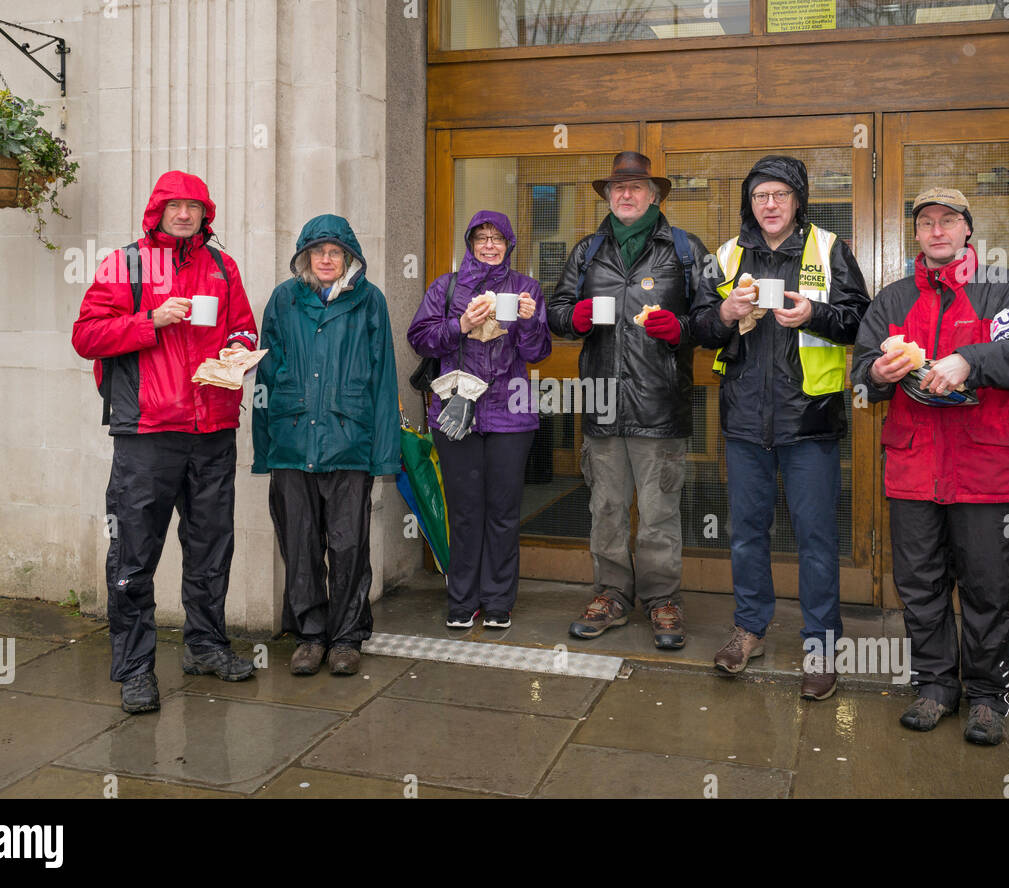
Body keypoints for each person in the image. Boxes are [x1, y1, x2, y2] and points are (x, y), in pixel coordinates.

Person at [850, 187, 1009, 745]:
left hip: (986, 469)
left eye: (948, 221)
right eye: (926, 223)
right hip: (914, 467)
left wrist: (972, 358)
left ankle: (988, 696)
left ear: (967, 229)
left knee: (989, 586)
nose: (937, 231)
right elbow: (860, 370)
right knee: (919, 584)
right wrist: (878, 375)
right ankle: (936, 685)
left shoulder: (1004, 288)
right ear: (916, 234)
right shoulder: (892, 299)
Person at [72, 170, 259, 714]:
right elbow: (86, 335)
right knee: (134, 553)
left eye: (194, 206)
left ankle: (205, 646)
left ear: (206, 215)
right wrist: (149, 320)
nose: (184, 214)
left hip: (213, 428)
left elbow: (243, 328)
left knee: (210, 546)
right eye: (174, 205)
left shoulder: (223, 267)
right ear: (157, 211)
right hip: (147, 433)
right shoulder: (125, 263)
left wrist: (238, 353)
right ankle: (134, 669)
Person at [690, 155, 869, 698]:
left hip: (809, 422)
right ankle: (749, 630)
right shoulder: (724, 256)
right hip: (744, 422)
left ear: (798, 201)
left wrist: (812, 314)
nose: (769, 205)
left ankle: (820, 646)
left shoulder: (830, 248)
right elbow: (697, 327)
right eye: (760, 195)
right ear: (750, 202)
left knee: (816, 539)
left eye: (780, 195)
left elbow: (861, 319)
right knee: (746, 535)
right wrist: (723, 315)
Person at [547, 151, 708, 650]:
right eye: (618, 188)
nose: (626, 194)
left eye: (636, 187)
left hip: (660, 402)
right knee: (606, 506)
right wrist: (569, 320)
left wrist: (680, 328)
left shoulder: (684, 248)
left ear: (654, 195)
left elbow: (714, 317)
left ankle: (662, 599)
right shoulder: (588, 250)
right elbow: (556, 310)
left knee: (659, 511)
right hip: (601, 400)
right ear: (608, 196)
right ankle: (612, 594)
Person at [252, 214, 402, 676]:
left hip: (348, 442)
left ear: (349, 258)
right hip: (292, 440)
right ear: (305, 257)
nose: (326, 259)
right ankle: (310, 634)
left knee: (348, 545)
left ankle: (346, 637)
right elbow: (266, 374)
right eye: (318, 252)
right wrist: (265, 447)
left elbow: (383, 379)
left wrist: (383, 454)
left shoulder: (369, 301)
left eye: (335, 252)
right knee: (298, 543)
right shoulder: (283, 299)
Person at [407, 211, 550, 629]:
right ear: (470, 243)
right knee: (465, 509)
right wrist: (460, 325)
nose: (489, 245)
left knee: (503, 511)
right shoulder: (446, 286)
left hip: (511, 413)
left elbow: (538, 351)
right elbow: (419, 337)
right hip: (456, 412)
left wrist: (527, 322)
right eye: (481, 238)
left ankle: (499, 600)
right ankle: (462, 599)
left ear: (509, 244)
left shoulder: (525, 288)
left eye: (498, 238)